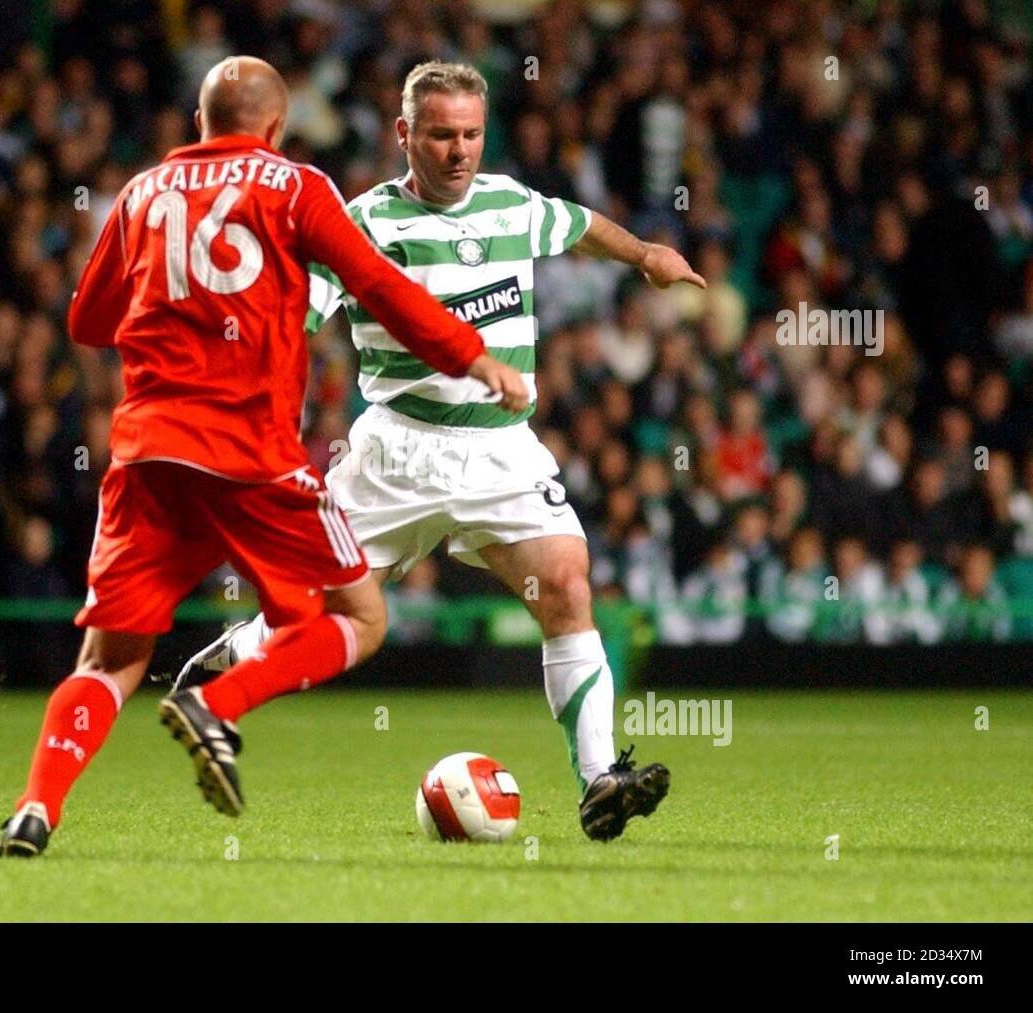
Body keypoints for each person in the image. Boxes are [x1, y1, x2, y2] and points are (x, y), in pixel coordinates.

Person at [0, 56, 527, 857]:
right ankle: (221, 702)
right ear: (275, 127)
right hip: (251, 453)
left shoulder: (140, 193)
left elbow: (88, 322)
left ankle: (35, 808)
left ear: (200, 120)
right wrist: (471, 355)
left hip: (146, 455)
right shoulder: (296, 187)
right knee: (359, 615)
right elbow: (378, 285)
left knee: (109, 658)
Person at [177, 61, 705, 842]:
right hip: (398, 452)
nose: (459, 150)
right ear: (404, 135)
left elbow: (577, 223)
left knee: (565, 582)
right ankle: (212, 676)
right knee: (322, 616)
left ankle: (599, 779)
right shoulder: (358, 223)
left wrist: (646, 256)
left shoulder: (509, 202)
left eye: (469, 134)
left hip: (500, 452)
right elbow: (296, 315)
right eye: (440, 135)